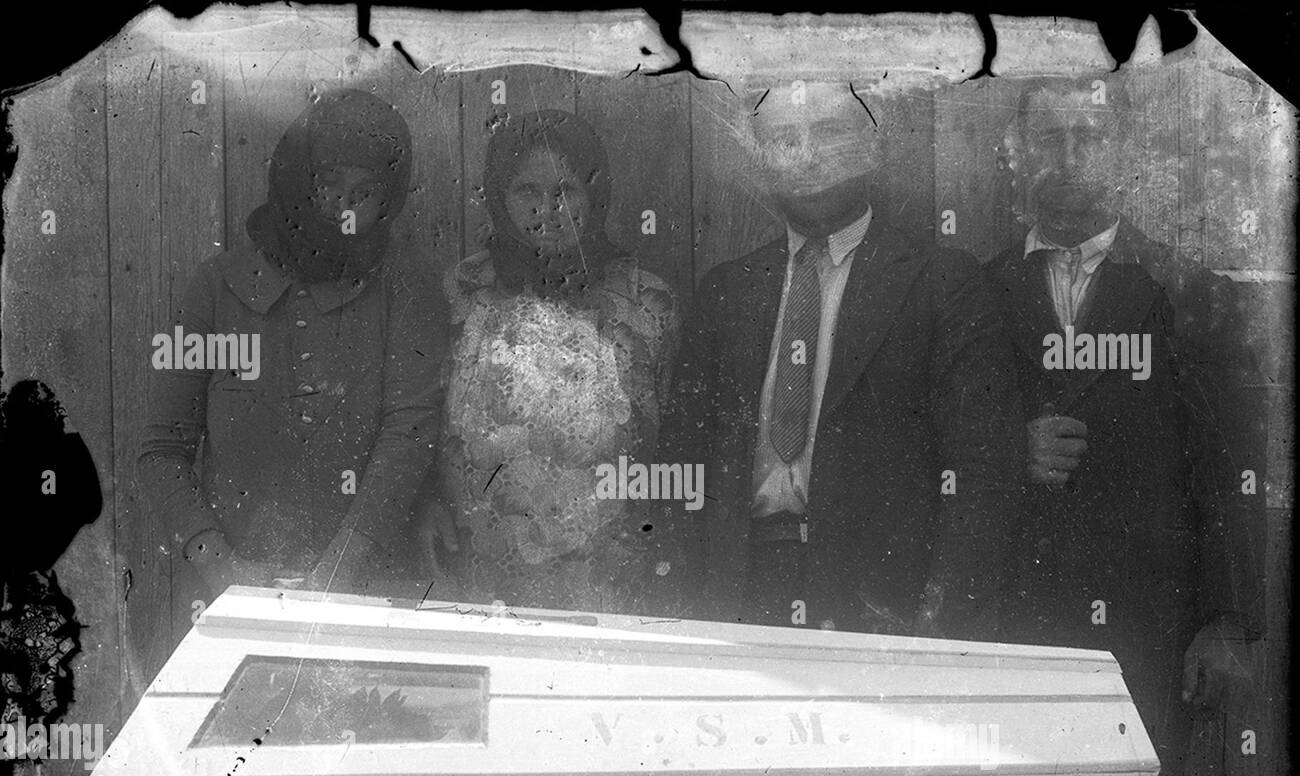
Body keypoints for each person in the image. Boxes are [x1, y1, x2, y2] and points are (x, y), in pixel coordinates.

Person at [986, 75, 1266, 776]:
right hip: (1016, 627)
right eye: (1050, 140)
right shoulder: (976, 291)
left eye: (1089, 140)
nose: (1069, 160)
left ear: (1123, 155)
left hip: (1147, 632)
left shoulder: (1189, 291)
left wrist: (1227, 622)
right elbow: (928, 447)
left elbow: (1235, 475)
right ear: (1020, 155)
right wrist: (1007, 450)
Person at [654, 81, 1023, 639]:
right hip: (737, 592)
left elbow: (981, 471)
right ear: (759, 161)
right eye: (783, 140)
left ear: (870, 147)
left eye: (827, 134)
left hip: (879, 604)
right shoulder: (727, 291)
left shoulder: (941, 282)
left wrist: (939, 615)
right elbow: (682, 458)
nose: (806, 156)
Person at [137, 89, 448, 637]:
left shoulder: (406, 285)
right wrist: (219, 568)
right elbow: (161, 451)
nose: (344, 208)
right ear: (298, 182)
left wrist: (341, 570)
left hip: (369, 591)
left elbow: (411, 429)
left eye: (366, 191)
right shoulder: (216, 290)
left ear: (389, 199)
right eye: (328, 184)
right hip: (231, 594)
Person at [425, 108, 679, 613]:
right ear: (499, 196)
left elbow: (670, 443)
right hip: (477, 568)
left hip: (607, 576)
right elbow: (426, 421)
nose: (548, 209)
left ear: (594, 196)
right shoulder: (461, 292)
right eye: (527, 192)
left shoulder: (646, 301)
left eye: (567, 192)